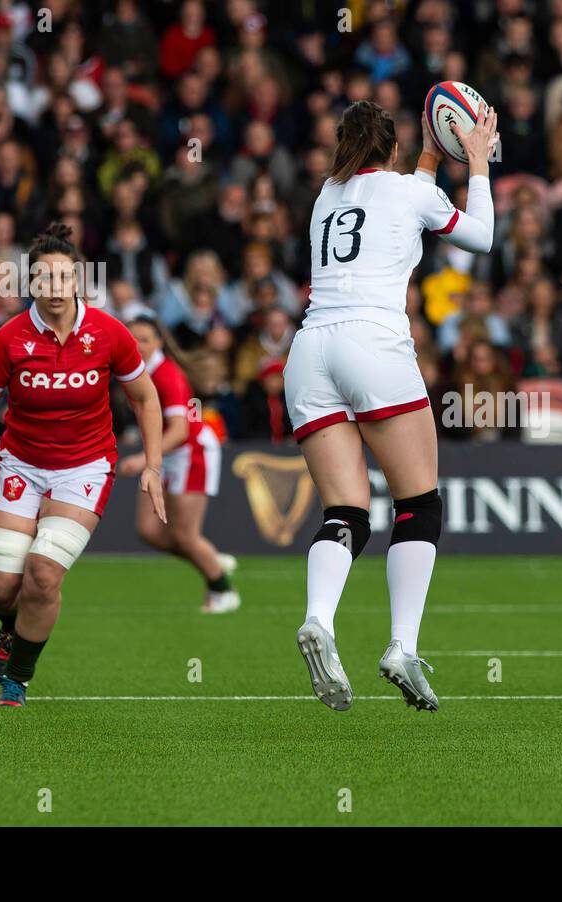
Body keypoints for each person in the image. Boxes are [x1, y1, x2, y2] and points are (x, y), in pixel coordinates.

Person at [286, 99, 496, 713]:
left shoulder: (327, 195)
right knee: (419, 504)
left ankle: (319, 619)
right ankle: (402, 645)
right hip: (372, 344)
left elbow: (397, 204)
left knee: (347, 513)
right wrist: (477, 162)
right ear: (395, 149)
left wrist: (432, 155)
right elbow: (480, 238)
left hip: (309, 351)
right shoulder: (409, 194)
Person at [0, 223, 167, 708]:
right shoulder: (8, 340)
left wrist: (153, 466)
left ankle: (17, 680)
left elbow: (145, 399)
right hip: (21, 465)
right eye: (44, 280)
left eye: (64, 279)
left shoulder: (109, 333)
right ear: (30, 284)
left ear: (79, 282)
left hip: (86, 468)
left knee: (43, 576)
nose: (55, 289)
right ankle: (11, 629)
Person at [118, 316, 239, 614]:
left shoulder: (166, 375)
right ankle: (207, 557)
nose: (138, 345)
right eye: (132, 339)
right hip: (168, 452)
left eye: (145, 339)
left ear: (159, 342)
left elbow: (180, 430)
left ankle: (222, 590)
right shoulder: (137, 371)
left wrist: (144, 459)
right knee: (148, 530)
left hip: (191, 451)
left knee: (184, 535)